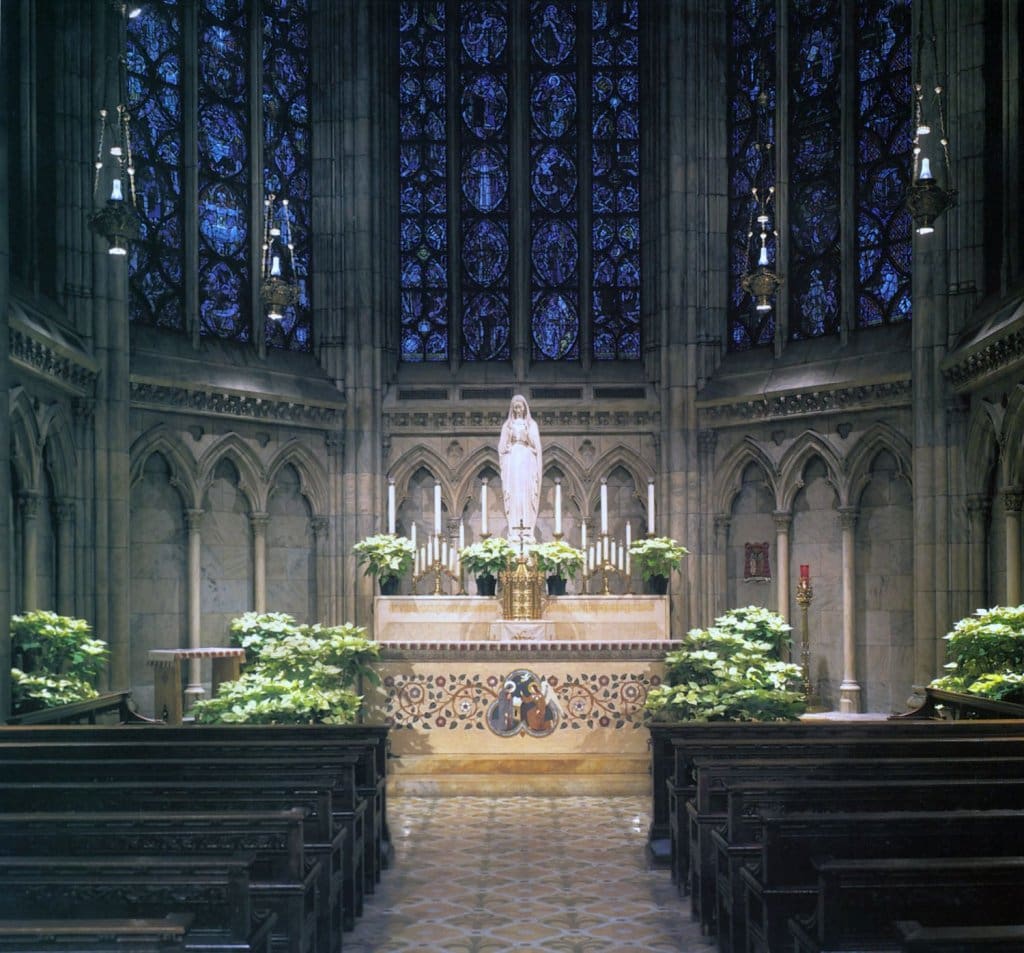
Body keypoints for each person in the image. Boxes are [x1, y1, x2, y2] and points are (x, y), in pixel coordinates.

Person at [498, 394, 542, 545]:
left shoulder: (531, 425)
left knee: (527, 493)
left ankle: (528, 530)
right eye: (515, 407)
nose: (518, 410)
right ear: (512, 408)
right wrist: (508, 443)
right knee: (514, 492)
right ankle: (514, 530)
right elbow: (501, 448)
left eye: (520, 406)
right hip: (513, 460)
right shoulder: (507, 426)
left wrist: (527, 437)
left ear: (524, 407)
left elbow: (536, 447)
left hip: (527, 458)